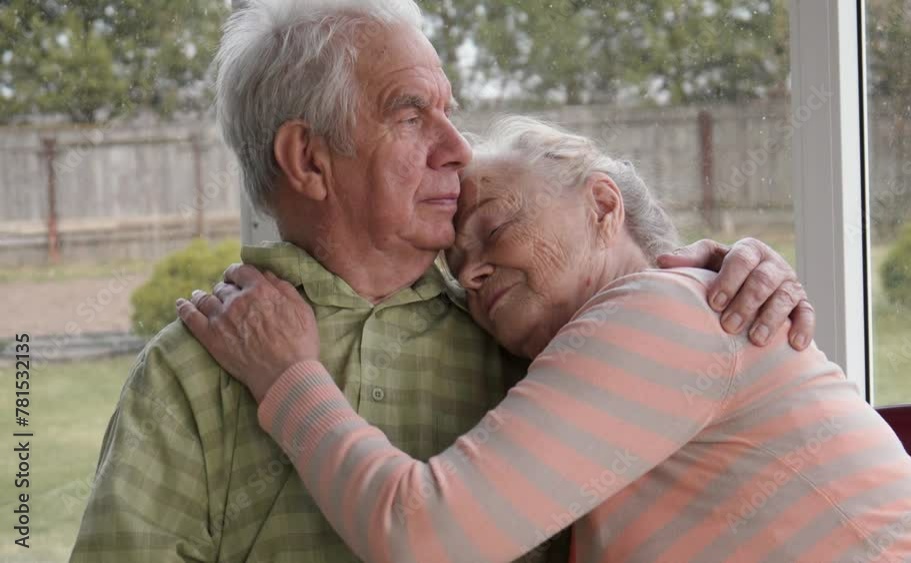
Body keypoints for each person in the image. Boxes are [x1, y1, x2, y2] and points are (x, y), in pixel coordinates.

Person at [70, 2, 815, 561]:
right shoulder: (194, 371)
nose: (457, 148)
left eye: (448, 112)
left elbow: (636, 298)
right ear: (307, 160)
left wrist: (713, 269)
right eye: (411, 113)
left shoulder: (528, 327)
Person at [178, 116, 911, 563]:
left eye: (494, 227)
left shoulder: (661, 312)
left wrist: (286, 373)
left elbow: (424, 534)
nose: (475, 270)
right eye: (458, 265)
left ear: (603, 204)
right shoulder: (652, 332)